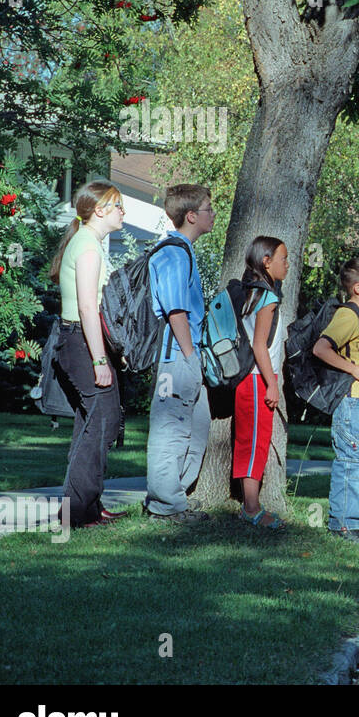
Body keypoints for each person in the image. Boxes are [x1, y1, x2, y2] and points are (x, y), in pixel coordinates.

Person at [49, 180, 127, 528]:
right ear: (100, 210)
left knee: (90, 425)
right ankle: (76, 513)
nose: (124, 212)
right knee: (102, 422)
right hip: (81, 343)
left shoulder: (85, 241)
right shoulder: (89, 247)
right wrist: (99, 360)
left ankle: (85, 507)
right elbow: (86, 307)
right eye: (118, 205)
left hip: (77, 341)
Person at [144, 184, 216, 524]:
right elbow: (176, 311)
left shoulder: (183, 250)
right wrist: (190, 357)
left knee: (197, 426)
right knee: (170, 430)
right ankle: (164, 505)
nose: (212, 214)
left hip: (187, 357)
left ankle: (176, 496)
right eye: (208, 209)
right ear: (191, 216)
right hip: (176, 359)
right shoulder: (174, 253)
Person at [312, 258, 359, 547]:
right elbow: (321, 348)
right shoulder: (347, 315)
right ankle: (342, 526)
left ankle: (358, 524)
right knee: (354, 462)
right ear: (358, 288)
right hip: (351, 402)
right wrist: (353, 369)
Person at [233, 236, 289, 529]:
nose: (287, 265)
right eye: (283, 259)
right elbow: (259, 346)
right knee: (254, 443)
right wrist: (272, 383)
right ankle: (251, 508)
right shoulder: (266, 297)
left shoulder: (251, 290)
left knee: (253, 441)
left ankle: (251, 505)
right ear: (266, 262)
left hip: (253, 379)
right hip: (257, 379)